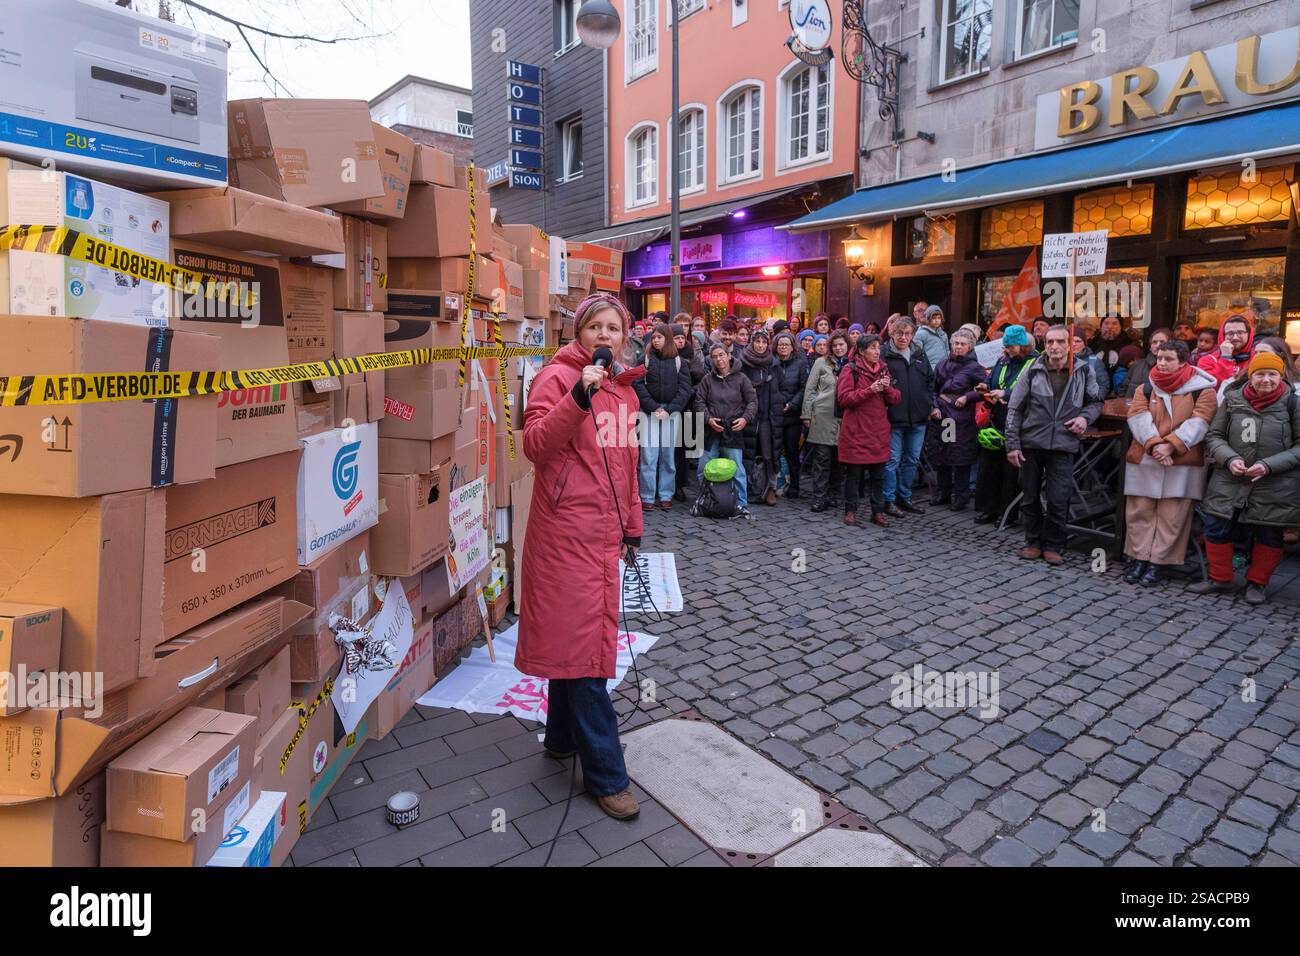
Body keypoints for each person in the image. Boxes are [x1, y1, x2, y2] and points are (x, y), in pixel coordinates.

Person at [517, 293, 645, 821]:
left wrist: (632, 528)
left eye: (614, 327)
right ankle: (607, 775)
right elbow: (535, 446)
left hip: (604, 533)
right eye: (596, 326)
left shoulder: (626, 393)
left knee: (576, 637)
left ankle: (561, 738)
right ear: (580, 333)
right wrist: (576, 395)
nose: (605, 335)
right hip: (565, 534)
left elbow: (626, 467)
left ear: (624, 335)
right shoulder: (557, 376)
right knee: (590, 650)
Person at [1190, 351, 1300, 603]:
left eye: (1272, 374)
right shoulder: (1231, 400)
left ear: (1280, 376)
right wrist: (1229, 458)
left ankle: (1257, 584)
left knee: (1269, 534)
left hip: (1275, 482)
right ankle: (1220, 578)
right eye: (1260, 374)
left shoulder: (1294, 404)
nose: (1266, 379)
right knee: (1216, 527)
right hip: (1230, 478)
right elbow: (1214, 436)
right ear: (1250, 376)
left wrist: (1268, 465)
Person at [1120, 340, 1218, 587]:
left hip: (1181, 460)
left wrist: (1171, 445)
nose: (1161, 363)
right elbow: (1138, 417)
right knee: (1139, 511)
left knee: (1173, 515)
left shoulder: (1202, 390)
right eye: (1160, 358)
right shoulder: (1146, 387)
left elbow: (1201, 421)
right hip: (1146, 456)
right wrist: (1154, 444)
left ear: (1183, 362)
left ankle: (1158, 562)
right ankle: (1139, 558)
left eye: (1168, 359)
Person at [1004, 324, 1103, 565]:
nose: (1054, 347)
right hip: (1031, 442)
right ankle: (1033, 541)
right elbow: (1015, 409)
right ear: (1043, 345)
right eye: (1050, 342)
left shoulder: (1082, 371)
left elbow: (1096, 402)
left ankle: (1054, 544)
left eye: (1060, 342)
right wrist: (1012, 444)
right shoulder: (1033, 370)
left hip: (1063, 443)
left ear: (1070, 345)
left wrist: (1084, 418)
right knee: (1029, 496)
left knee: (1059, 497)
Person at [973, 324, 1036, 524]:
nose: (1007, 350)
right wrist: (986, 387)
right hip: (997, 419)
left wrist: (1007, 394)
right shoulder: (1002, 361)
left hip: (1020, 422)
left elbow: (1034, 391)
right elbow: (992, 380)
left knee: (1010, 471)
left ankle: (1007, 513)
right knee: (989, 468)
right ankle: (987, 509)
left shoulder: (1035, 364)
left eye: (1011, 346)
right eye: (1006, 346)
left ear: (1022, 345)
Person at [836, 334, 898, 527]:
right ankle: (851, 510)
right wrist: (870, 390)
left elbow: (896, 399)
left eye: (878, 347)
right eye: (872, 347)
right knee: (854, 475)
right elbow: (844, 399)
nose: (877, 351)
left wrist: (887, 389)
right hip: (856, 430)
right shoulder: (850, 369)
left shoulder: (884, 370)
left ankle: (877, 512)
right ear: (862, 351)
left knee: (879, 475)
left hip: (878, 430)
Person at [881, 317, 939, 516]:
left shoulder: (919, 354)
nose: (903, 337)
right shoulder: (884, 354)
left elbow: (931, 381)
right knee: (892, 460)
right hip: (893, 417)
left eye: (907, 333)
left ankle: (904, 496)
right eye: (900, 333)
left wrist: (928, 402)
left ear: (913, 334)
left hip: (918, 416)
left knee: (913, 459)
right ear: (892, 333)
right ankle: (888, 499)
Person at [633, 322, 693, 510]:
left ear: (667, 339)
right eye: (654, 337)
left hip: (671, 413)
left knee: (667, 456)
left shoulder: (679, 362)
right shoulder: (645, 359)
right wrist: (653, 407)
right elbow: (638, 385)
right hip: (650, 412)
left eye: (659, 337)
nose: (656, 340)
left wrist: (670, 409)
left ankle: (666, 494)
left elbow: (685, 389)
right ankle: (647, 496)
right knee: (648, 456)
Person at [694, 342, 757, 517]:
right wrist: (708, 419)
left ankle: (741, 504)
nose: (718, 359)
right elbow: (699, 401)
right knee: (703, 468)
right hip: (711, 428)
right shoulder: (707, 379)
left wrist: (745, 418)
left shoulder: (741, 379)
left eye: (721, 355)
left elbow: (752, 401)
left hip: (733, 428)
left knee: (737, 468)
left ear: (729, 355)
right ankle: (706, 499)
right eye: (714, 357)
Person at [930, 328, 984, 510]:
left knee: (961, 457)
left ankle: (961, 496)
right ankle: (943, 492)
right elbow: (932, 388)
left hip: (962, 419)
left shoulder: (975, 368)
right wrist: (934, 406)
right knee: (943, 454)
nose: (958, 346)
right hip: (944, 417)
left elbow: (984, 390)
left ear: (970, 346)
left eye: (962, 344)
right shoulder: (942, 364)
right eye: (955, 343)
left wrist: (967, 397)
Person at [802, 332, 849, 512]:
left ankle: (834, 495)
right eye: (835, 345)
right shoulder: (820, 363)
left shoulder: (852, 365)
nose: (838, 348)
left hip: (844, 418)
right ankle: (819, 497)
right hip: (822, 416)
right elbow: (810, 389)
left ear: (847, 346)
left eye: (841, 345)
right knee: (821, 460)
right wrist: (806, 414)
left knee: (839, 461)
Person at [738, 328, 782, 506]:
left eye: (764, 341)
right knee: (747, 452)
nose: (761, 345)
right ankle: (748, 487)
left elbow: (781, 388)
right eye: (757, 341)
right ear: (752, 342)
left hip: (767, 415)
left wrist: (781, 402)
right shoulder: (742, 362)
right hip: (748, 414)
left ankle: (771, 488)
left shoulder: (774, 363)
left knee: (769, 453)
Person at [672, 321, 707, 501]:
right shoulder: (663, 354)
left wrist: (688, 393)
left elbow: (700, 378)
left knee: (683, 450)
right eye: (676, 338)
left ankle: (680, 485)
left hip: (688, 406)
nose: (680, 341)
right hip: (669, 406)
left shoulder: (691, 354)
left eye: (682, 337)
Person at [773, 330, 809, 500]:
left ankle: (794, 485)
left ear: (792, 347)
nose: (783, 347)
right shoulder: (771, 363)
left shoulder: (801, 364)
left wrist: (792, 404)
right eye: (780, 345)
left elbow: (804, 388)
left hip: (792, 415)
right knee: (772, 451)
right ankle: (773, 484)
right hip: (774, 413)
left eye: (786, 344)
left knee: (792, 452)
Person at [1198, 314, 1256, 387]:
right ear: (1223, 335)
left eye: (1240, 332)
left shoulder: (1257, 358)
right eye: (1230, 333)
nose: (1235, 337)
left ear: (1249, 334)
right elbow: (1213, 386)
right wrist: (1226, 358)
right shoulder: (1206, 361)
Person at [1088, 315, 1137, 389]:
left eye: (1114, 323)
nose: (1110, 327)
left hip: (1118, 392)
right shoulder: (1092, 345)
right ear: (1101, 327)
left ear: (1121, 327)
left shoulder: (1129, 345)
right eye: (1106, 323)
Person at [1125, 327, 1173, 398]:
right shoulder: (1137, 365)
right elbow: (1124, 387)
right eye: (1154, 342)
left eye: (1162, 342)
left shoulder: (1175, 366)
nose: (1158, 345)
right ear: (1150, 347)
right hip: (1134, 407)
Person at [1070, 326, 1108, 393]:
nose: (1073, 344)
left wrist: (1093, 400)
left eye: (1078, 341)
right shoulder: (1058, 360)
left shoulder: (1094, 361)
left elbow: (1103, 386)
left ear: (1084, 344)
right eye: (1070, 341)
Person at [915, 304, 950, 370]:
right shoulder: (921, 334)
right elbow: (917, 354)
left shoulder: (943, 334)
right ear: (928, 318)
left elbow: (947, 350)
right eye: (934, 318)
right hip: (930, 369)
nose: (937, 320)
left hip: (944, 368)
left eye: (939, 318)